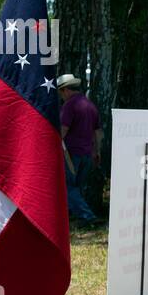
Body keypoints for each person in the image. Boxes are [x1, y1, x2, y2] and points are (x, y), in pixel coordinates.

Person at [57, 74, 102, 223]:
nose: (61, 95)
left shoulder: (69, 106)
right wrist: (97, 152)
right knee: (76, 187)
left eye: (60, 92)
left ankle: (88, 216)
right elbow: (98, 133)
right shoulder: (90, 105)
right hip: (87, 154)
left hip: (71, 154)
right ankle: (72, 215)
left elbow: (63, 130)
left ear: (66, 90)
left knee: (68, 187)